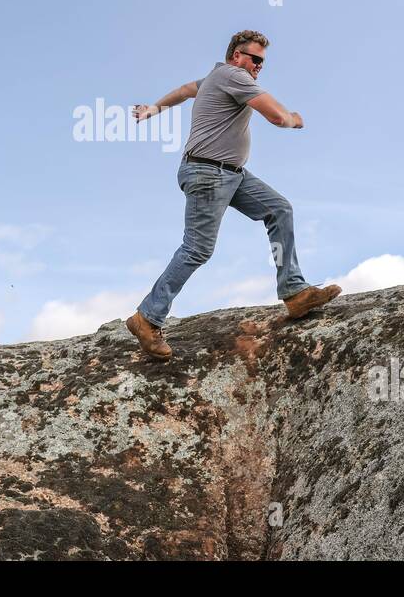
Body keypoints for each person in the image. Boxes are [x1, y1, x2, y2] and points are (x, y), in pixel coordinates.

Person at [126, 30, 342, 360]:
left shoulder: (215, 77)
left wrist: (155, 108)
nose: (258, 66)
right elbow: (273, 114)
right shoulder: (233, 75)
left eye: (262, 62)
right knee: (197, 248)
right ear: (235, 56)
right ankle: (146, 318)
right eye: (253, 59)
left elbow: (185, 91)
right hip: (209, 173)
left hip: (232, 174)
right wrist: (292, 119)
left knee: (278, 209)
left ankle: (295, 292)